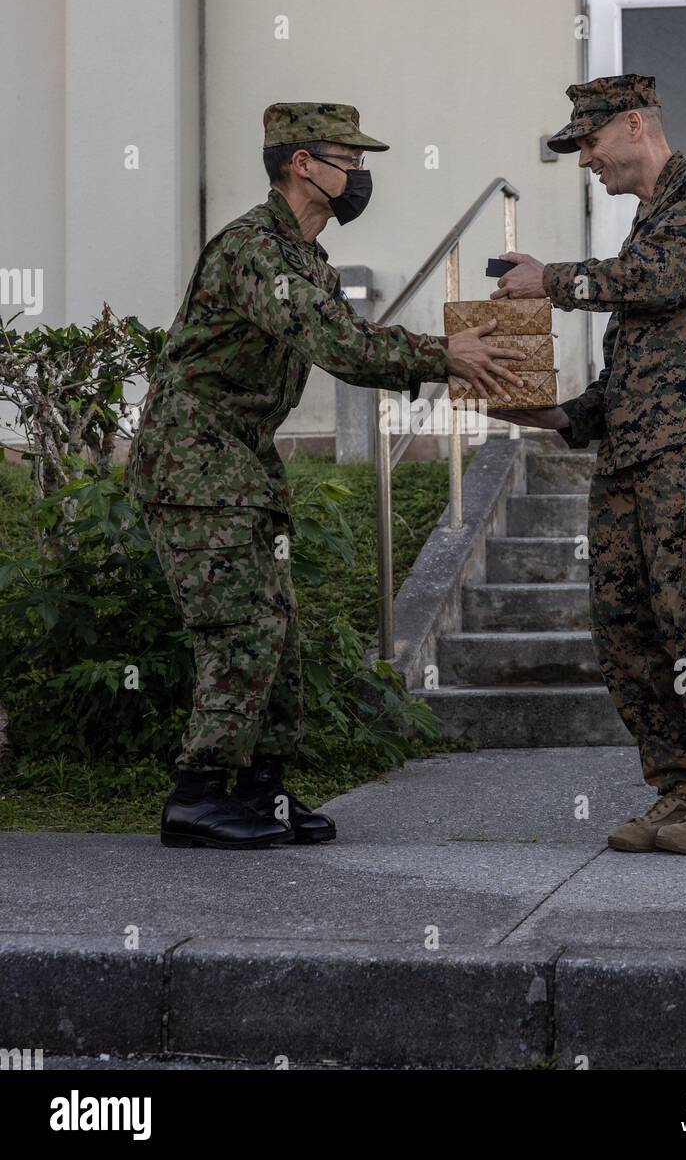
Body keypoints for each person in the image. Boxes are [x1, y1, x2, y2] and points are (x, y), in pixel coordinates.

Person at [127, 101, 525, 849]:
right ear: (302, 164)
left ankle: (262, 791)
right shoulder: (255, 249)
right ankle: (198, 796)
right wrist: (443, 355)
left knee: (278, 633)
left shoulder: (302, 256)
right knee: (241, 629)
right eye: (351, 158)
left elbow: (336, 336)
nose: (363, 174)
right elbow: (337, 343)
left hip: (238, 463)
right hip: (193, 464)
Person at [488, 74, 686, 856]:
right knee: (626, 627)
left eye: (588, 141)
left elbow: (663, 282)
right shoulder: (646, 224)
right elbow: (629, 374)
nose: (585, 159)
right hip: (632, 452)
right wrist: (549, 414)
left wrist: (549, 280)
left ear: (633, 124)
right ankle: (682, 792)